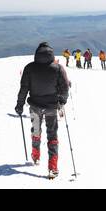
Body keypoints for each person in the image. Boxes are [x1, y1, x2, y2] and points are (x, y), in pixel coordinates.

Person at [15, 42, 70, 179]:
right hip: (52, 106)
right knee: (52, 135)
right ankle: (53, 167)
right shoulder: (58, 68)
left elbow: (24, 89)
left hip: (35, 105)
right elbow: (64, 88)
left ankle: (35, 156)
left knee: (36, 131)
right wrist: (62, 101)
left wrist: (19, 105)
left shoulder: (29, 68)